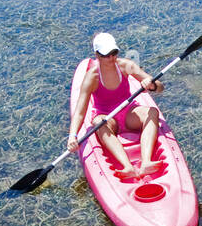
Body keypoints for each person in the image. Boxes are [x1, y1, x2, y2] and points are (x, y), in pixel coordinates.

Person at [68, 32, 163, 182]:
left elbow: (159, 88)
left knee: (152, 112)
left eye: (114, 53)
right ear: (97, 55)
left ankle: (146, 162)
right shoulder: (92, 77)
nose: (112, 58)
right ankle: (127, 167)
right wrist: (72, 135)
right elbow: (80, 111)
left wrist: (151, 85)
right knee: (98, 123)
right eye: (107, 55)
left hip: (129, 112)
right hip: (107, 117)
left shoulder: (126, 66)